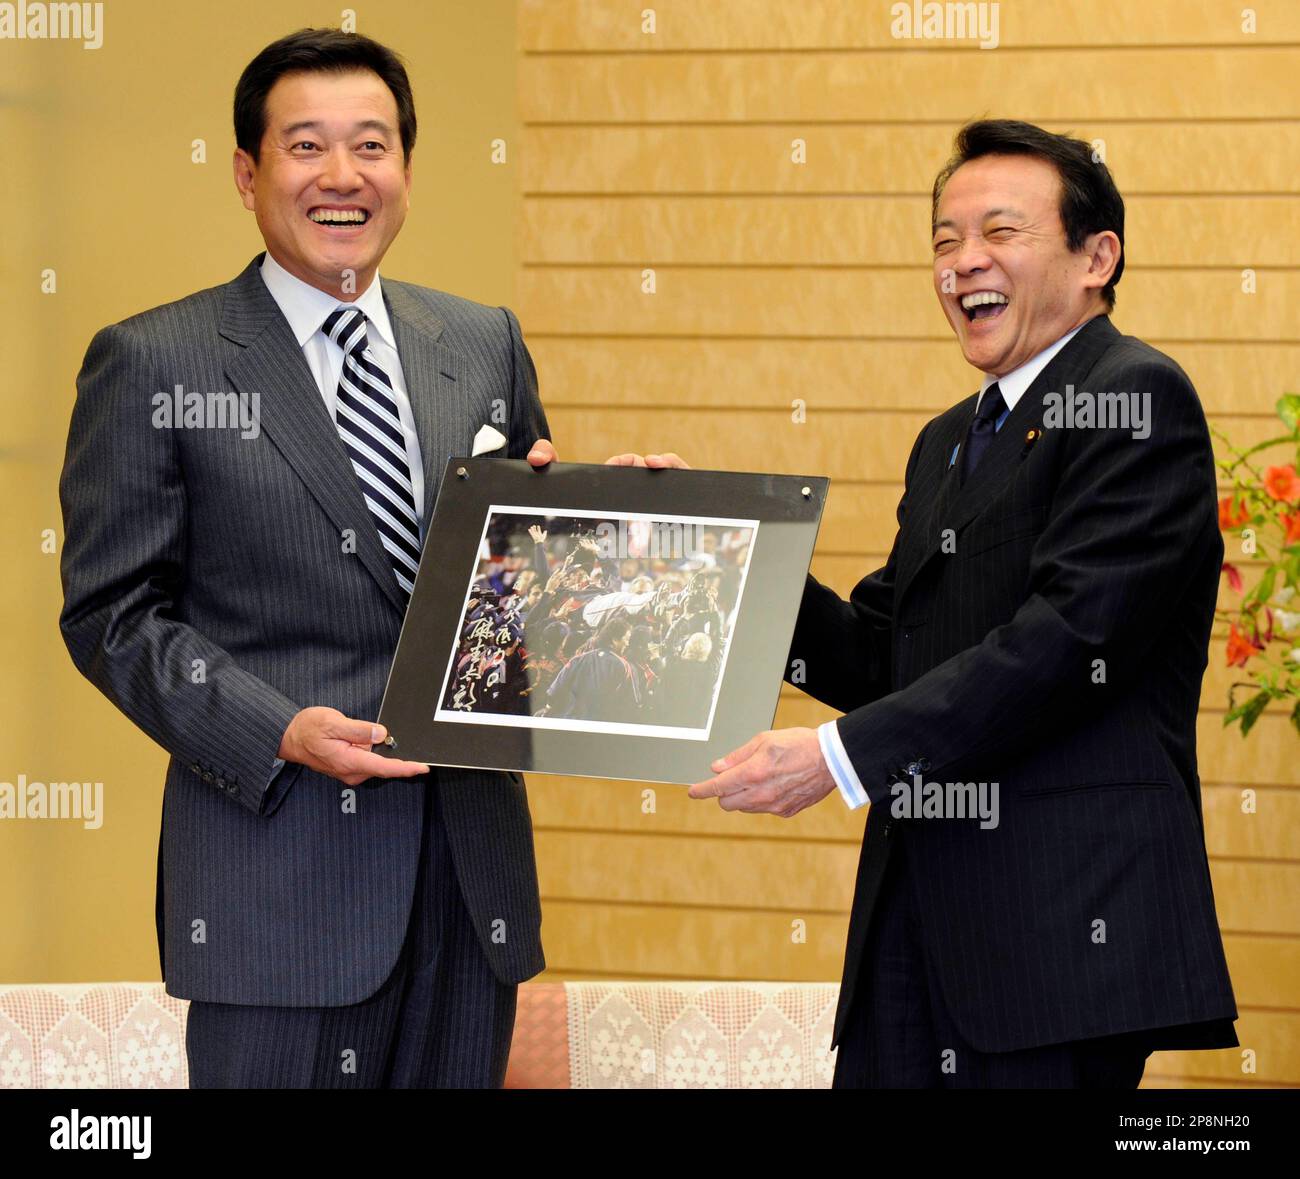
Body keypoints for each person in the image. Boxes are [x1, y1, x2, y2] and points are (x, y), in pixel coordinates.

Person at [610, 119, 1238, 1089]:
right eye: (944, 241)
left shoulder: (1133, 398)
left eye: (998, 233)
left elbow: (1066, 643)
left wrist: (837, 757)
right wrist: (720, 557)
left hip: (1057, 941)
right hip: (910, 940)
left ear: (1094, 257)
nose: (962, 263)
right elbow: (877, 655)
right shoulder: (950, 439)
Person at [58, 28, 559, 1088]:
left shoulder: (482, 344)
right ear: (247, 174)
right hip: (276, 895)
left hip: (470, 893)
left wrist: (600, 531)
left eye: (372, 146)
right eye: (307, 147)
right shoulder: (155, 358)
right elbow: (111, 615)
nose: (343, 177)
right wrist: (275, 730)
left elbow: (512, 603)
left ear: (407, 172)